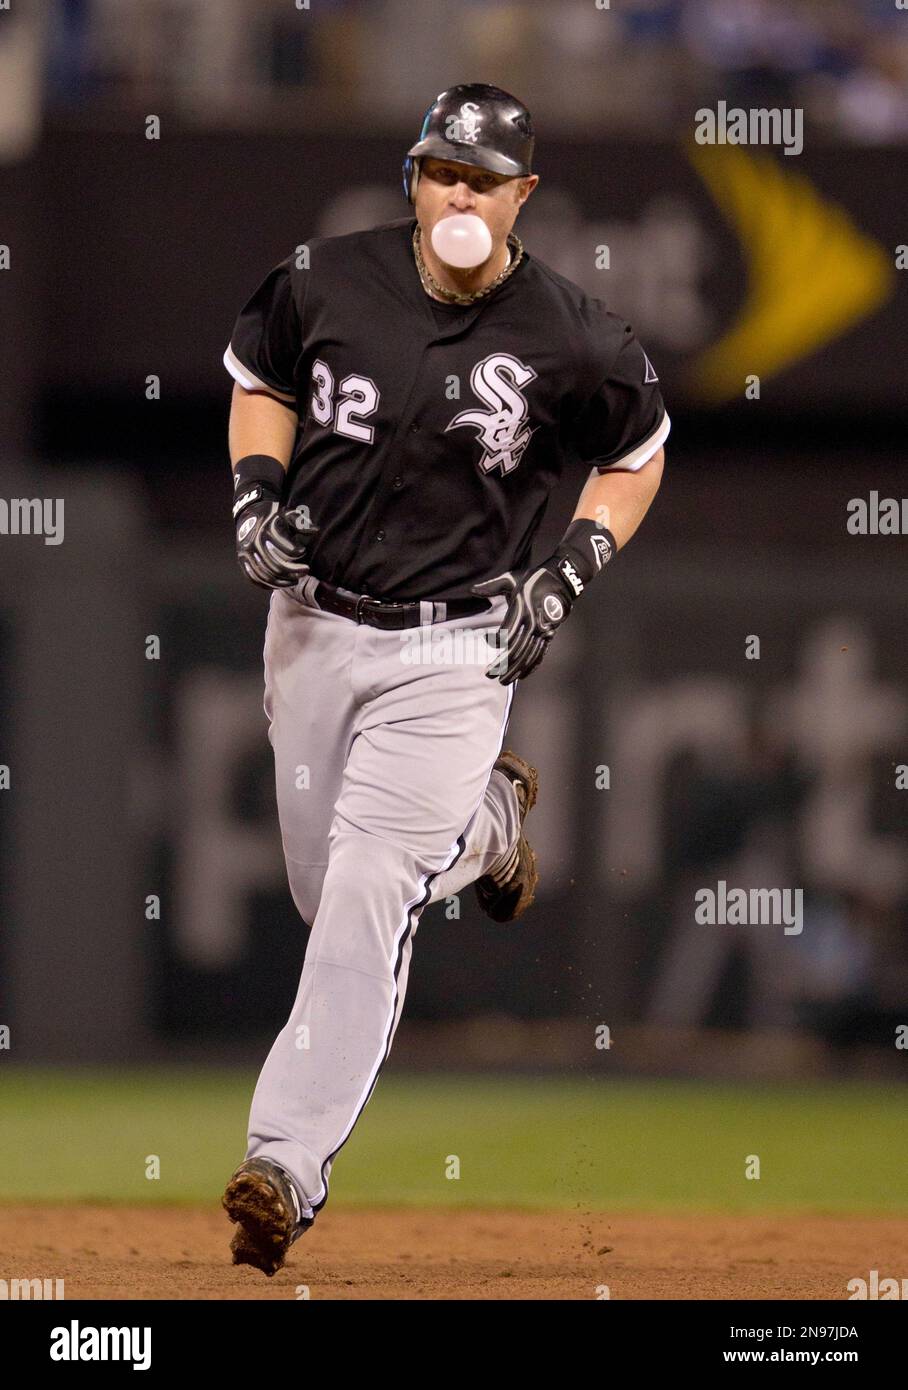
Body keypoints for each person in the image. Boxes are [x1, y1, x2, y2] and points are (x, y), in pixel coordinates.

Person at [220, 83, 669, 1275]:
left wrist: (568, 570)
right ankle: (489, 824)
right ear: (412, 178)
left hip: (455, 646)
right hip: (312, 625)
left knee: (371, 884)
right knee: (328, 897)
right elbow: (258, 381)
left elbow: (636, 454)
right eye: (441, 171)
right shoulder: (322, 278)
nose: (458, 195)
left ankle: (283, 1163)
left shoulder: (573, 333)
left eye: (482, 178)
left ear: (523, 196)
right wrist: (255, 498)